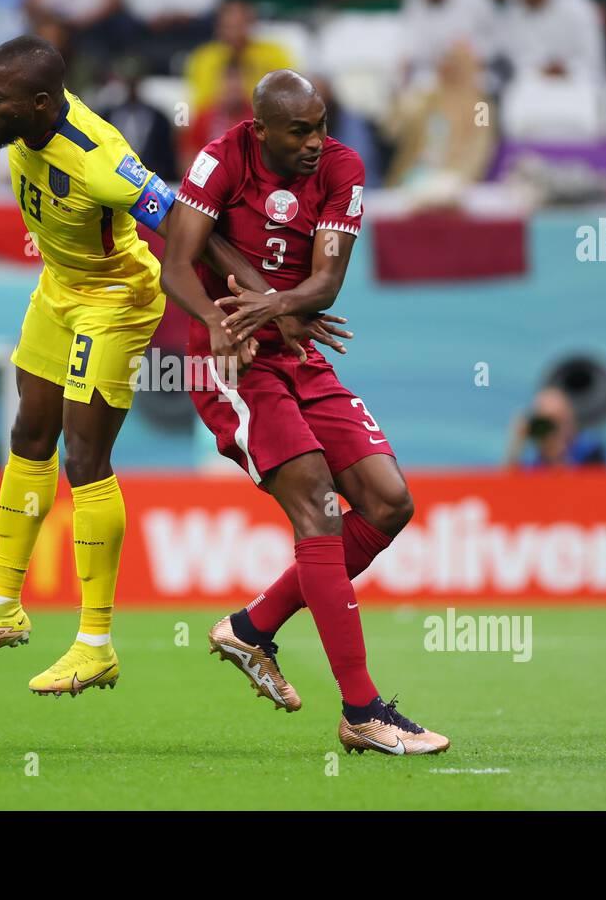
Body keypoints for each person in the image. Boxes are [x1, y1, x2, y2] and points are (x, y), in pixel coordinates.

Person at [0, 37, 343, 695]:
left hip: (116, 297)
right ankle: (1, 607)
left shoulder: (100, 160)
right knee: (28, 435)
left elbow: (186, 223)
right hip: (59, 286)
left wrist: (264, 296)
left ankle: (94, 643)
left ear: (40, 104)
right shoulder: (19, 126)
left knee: (84, 459)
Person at [158, 70, 450, 756]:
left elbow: (326, 282)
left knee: (387, 501)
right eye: (300, 130)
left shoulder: (343, 168)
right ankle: (363, 710)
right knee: (317, 506)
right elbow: (179, 261)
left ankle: (253, 627)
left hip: (295, 354)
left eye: (321, 123)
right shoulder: (222, 157)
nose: (317, 140)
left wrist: (276, 306)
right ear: (262, 130)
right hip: (230, 363)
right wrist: (218, 320)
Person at [505, 386, 606, 468]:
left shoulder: (591, 451)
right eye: (544, 424)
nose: (551, 432)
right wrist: (516, 445)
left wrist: (558, 453)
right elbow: (508, 486)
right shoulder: (535, 465)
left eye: (557, 422)